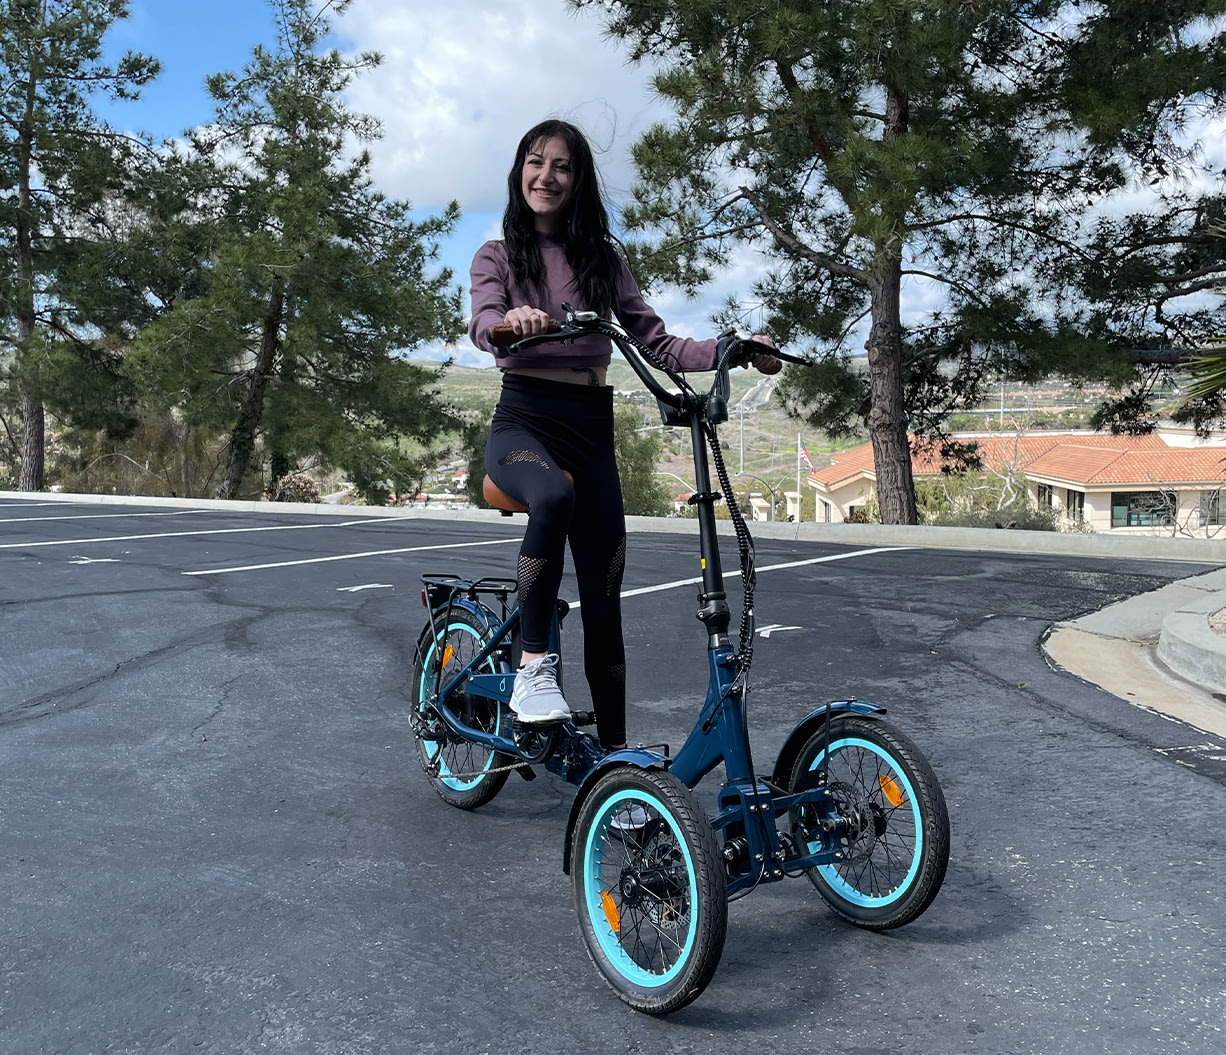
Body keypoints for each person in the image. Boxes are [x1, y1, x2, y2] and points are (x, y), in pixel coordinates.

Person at [467, 118, 779, 751]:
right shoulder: (497, 255)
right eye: (535, 161)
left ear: (578, 180)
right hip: (524, 421)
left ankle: (613, 766)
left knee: (606, 605)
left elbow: (658, 342)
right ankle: (532, 667)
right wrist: (512, 322)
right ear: (518, 171)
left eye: (561, 166)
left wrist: (735, 349)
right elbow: (484, 322)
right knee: (553, 497)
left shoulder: (602, 260)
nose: (545, 176)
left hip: (590, 425)